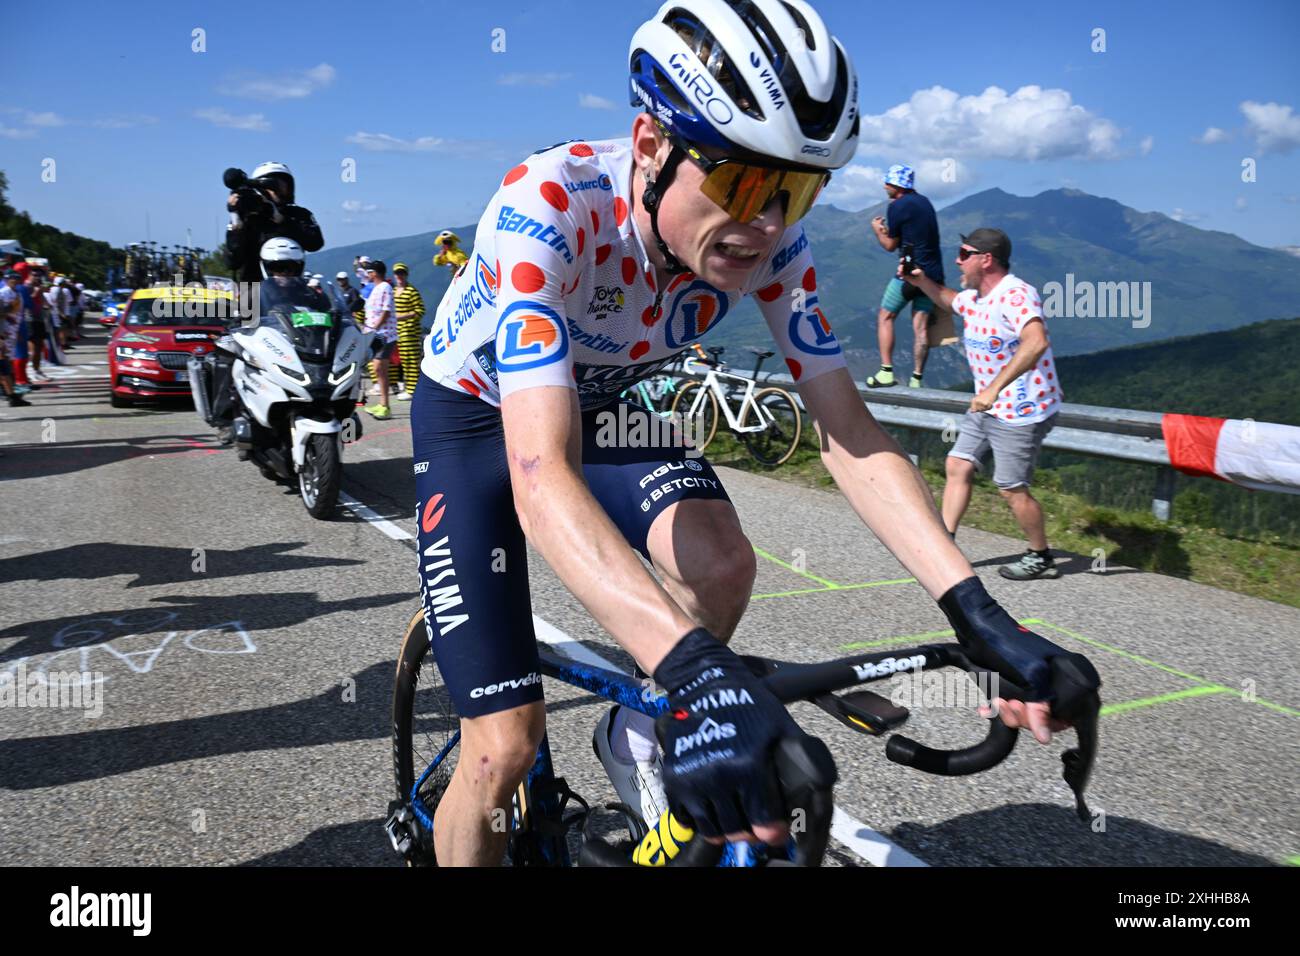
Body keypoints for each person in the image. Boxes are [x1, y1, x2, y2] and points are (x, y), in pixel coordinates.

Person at [410, 0, 1092, 867]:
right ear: (651, 146)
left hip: (609, 402)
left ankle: (637, 732)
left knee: (723, 561)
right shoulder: (550, 204)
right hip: (478, 419)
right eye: (740, 182)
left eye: (797, 189)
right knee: (502, 748)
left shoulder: (777, 247)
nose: (767, 222)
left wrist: (979, 611)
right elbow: (541, 470)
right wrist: (696, 670)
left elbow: (847, 428)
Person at [900, 228, 1063, 580]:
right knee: (958, 464)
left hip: (1022, 409)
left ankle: (1041, 556)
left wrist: (994, 389)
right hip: (987, 407)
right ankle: (944, 542)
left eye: (964, 253)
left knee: (1010, 489)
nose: (957, 260)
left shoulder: (1016, 294)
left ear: (985, 259)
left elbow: (1035, 342)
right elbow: (948, 300)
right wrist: (921, 281)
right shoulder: (976, 298)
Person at [867, 164, 944, 388]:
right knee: (920, 328)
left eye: (888, 183)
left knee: (885, 316)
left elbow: (891, 245)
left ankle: (886, 372)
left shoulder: (898, 206)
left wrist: (877, 231)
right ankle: (916, 378)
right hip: (933, 274)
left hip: (910, 273)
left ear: (897, 185)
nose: (885, 186)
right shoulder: (925, 202)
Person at [224, 162, 324, 283]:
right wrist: (236, 220)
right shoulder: (247, 217)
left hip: (291, 286)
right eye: (272, 185)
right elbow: (232, 262)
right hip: (251, 288)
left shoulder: (299, 214)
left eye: (283, 184)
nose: (278, 189)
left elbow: (315, 243)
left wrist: (282, 220)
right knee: (245, 301)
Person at [361, 260, 395, 419]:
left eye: (370, 272)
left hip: (384, 335)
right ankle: (383, 404)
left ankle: (385, 405)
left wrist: (374, 328)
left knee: (379, 368)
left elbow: (386, 311)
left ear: (375, 273)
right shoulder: (375, 289)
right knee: (379, 370)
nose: (368, 274)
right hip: (375, 334)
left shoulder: (385, 287)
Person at [392, 263, 424, 401]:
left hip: (410, 331)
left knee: (411, 360)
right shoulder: (393, 291)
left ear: (406, 274)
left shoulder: (412, 291)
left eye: (402, 273)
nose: (399, 276)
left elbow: (420, 310)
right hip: (396, 332)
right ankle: (409, 387)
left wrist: (403, 316)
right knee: (403, 361)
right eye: (397, 273)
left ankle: (412, 390)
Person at [0, 270, 30, 406]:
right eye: (12, 278)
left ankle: (10, 394)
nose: (16, 280)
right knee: (4, 365)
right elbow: (3, 312)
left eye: (17, 277)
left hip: (8, 331)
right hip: (4, 332)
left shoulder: (16, 293)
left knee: (6, 363)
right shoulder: (4, 292)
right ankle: (11, 395)